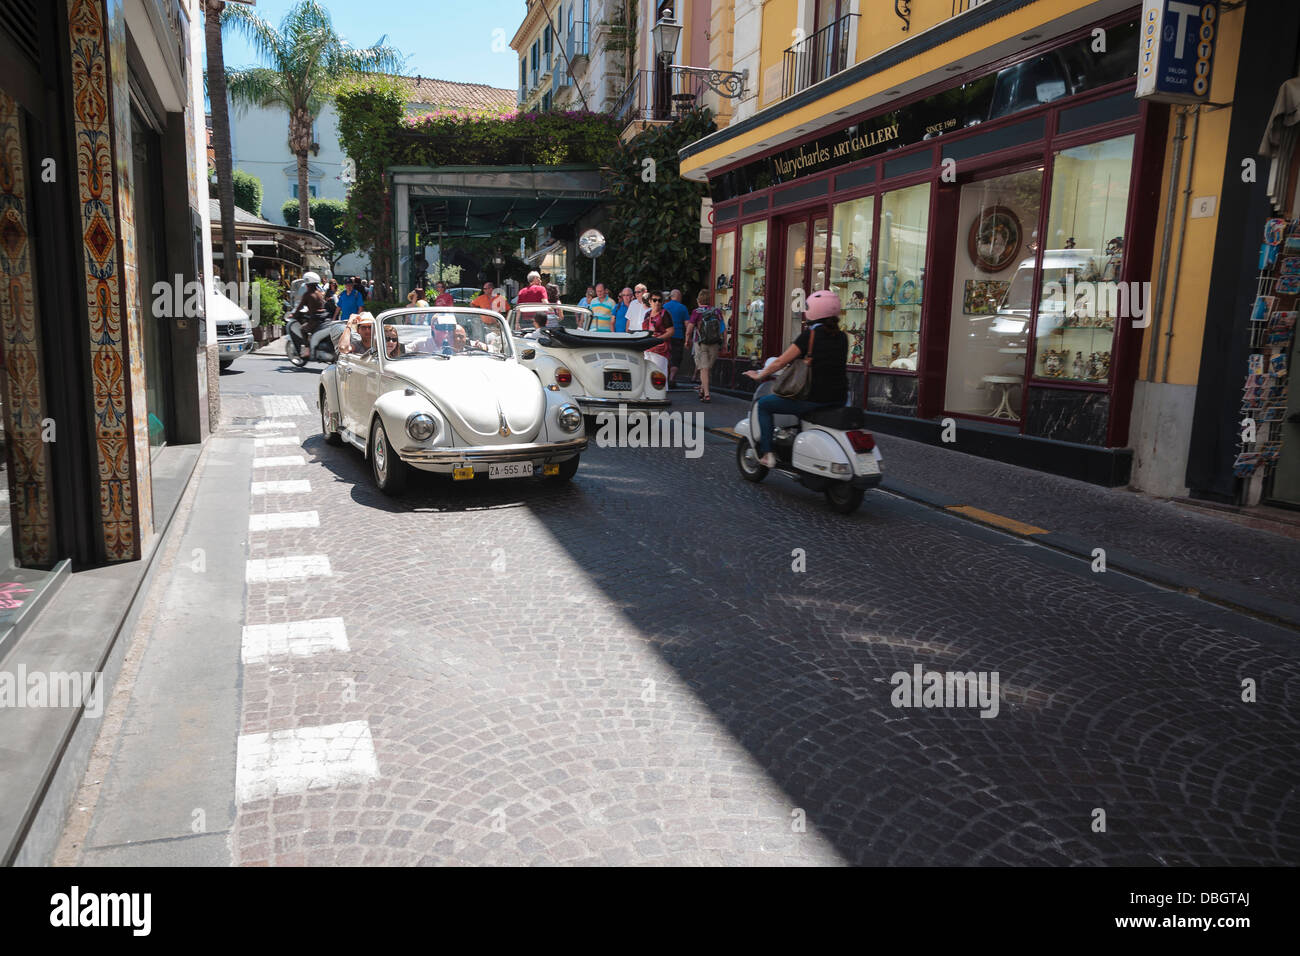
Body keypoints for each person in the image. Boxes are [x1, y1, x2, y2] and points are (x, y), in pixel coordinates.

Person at [743, 289, 848, 469]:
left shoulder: (810, 335)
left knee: (764, 405)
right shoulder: (842, 337)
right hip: (838, 398)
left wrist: (760, 374)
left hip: (812, 398)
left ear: (813, 311)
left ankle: (767, 454)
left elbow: (781, 362)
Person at [686, 289, 724, 403]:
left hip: (701, 342)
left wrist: (687, 340)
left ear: (699, 300)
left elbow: (690, 328)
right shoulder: (717, 311)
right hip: (715, 343)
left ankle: (706, 394)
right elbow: (722, 328)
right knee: (707, 368)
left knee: (703, 368)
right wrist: (724, 343)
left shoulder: (696, 312)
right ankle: (703, 389)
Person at [291, 271, 328, 358]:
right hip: (324, 316)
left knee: (303, 330)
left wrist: (293, 315)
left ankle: (307, 350)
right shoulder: (319, 293)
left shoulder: (307, 294)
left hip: (315, 319)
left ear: (307, 284)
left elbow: (300, 307)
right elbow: (317, 305)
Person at [665, 289, 690, 387]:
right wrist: (688, 338)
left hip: (666, 335)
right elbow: (687, 324)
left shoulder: (664, 307)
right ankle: (672, 378)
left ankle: (666, 378)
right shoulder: (683, 308)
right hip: (678, 336)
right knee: (676, 357)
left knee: (667, 356)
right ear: (679, 297)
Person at [643, 292, 673, 367]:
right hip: (647, 348)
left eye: (659, 300)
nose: (657, 302)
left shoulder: (664, 314)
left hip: (660, 350)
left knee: (659, 374)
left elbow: (671, 331)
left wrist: (657, 339)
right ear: (650, 301)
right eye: (654, 300)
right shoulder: (647, 314)